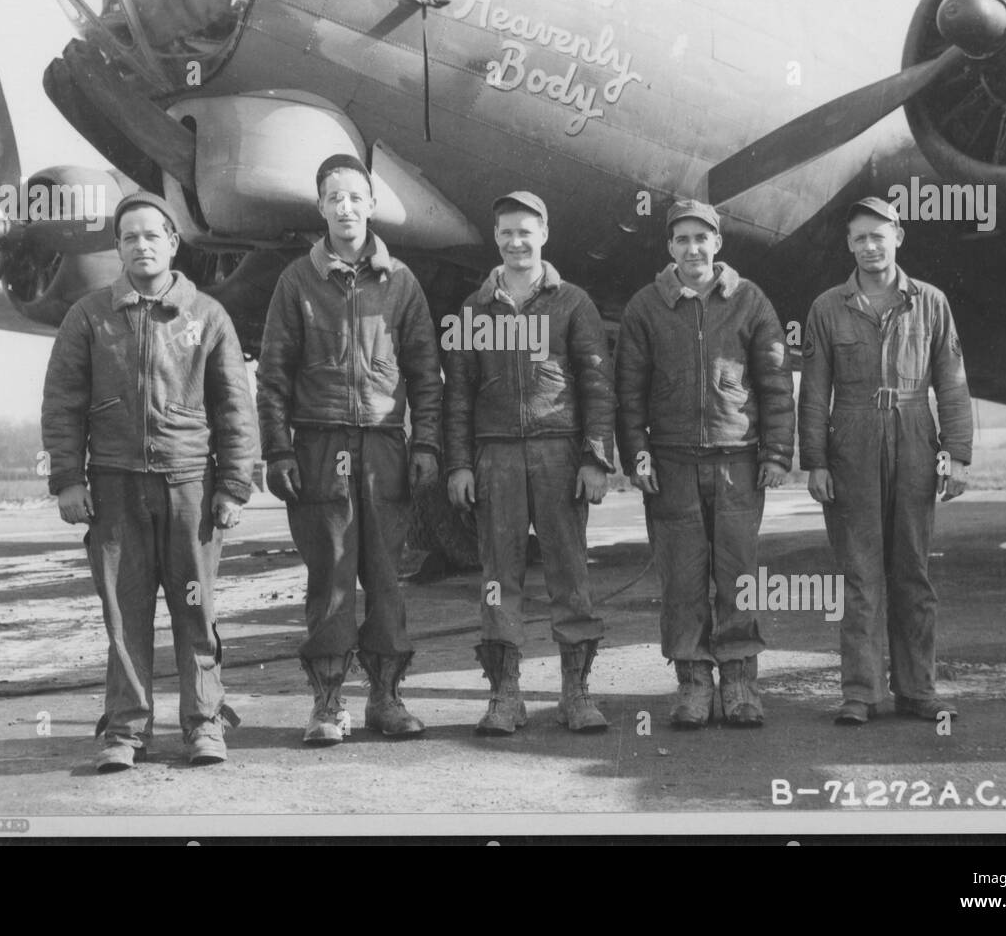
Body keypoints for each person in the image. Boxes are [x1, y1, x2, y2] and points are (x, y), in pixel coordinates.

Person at [41, 191, 258, 773]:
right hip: (114, 490)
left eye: (151, 235)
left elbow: (235, 407)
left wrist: (234, 485)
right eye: (129, 236)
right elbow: (62, 404)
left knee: (196, 610)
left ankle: (204, 725)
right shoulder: (88, 317)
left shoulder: (208, 316)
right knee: (124, 617)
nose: (141, 245)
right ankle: (125, 733)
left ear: (172, 242)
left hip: (191, 488)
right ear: (117, 247)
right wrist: (68, 480)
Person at [255, 154, 442, 745]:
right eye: (333, 197)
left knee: (387, 577)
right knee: (330, 579)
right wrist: (278, 452)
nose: (345, 207)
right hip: (320, 447)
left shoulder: (402, 282)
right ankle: (329, 704)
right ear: (320, 207)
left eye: (355, 196)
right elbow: (274, 377)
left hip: (386, 447)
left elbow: (426, 373)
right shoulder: (296, 282)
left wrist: (427, 443)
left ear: (371, 203)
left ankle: (386, 699)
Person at [615, 199, 795, 729]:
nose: (692, 248)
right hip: (671, 463)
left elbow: (776, 384)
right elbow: (629, 391)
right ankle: (693, 682)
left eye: (702, 238)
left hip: (738, 462)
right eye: (682, 239)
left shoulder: (750, 301)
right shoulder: (646, 307)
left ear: (717, 244)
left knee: (738, 573)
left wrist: (777, 453)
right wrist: (636, 452)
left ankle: (740, 682)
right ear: (669, 247)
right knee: (683, 578)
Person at [444, 191, 616, 735]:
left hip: (559, 452)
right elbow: (459, 395)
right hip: (494, 456)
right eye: (506, 233)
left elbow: (596, 383)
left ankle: (576, 692)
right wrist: (459, 465)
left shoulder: (573, 303)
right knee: (499, 577)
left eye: (526, 232)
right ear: (495, 238)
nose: (516, 242)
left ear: (544, 234)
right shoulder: (474, 309)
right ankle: (505, 695)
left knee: (570, 573)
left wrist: (595, 457)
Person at [799, 196, 972, 726]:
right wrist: (816, 462)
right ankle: (862, 692)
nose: (870, 246)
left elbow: (953, 382)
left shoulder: (931, 302)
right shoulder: (828, 307)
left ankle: (918, 689)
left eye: (879, 235)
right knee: (859, 572)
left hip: (917, 435)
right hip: (850, 440)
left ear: (898, 235)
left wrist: (957, 455)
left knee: (913, 571)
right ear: (848, 245)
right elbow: (814, 393)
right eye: (859, 238)